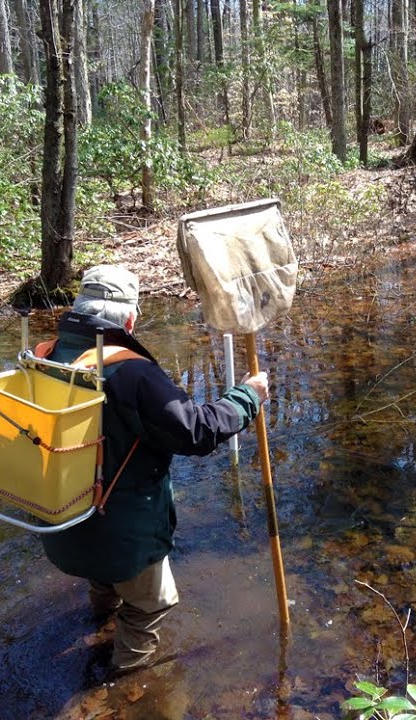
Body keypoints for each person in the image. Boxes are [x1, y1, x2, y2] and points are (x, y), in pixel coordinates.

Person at [34, 264, 270, 679]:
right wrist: (248, 396)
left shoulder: (43, 355)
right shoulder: (132, 373)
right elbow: (196, 431)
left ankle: (101, 617)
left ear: (79, 308)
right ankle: (124, 683)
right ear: (128, 320)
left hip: (63, 516)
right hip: (121, 529)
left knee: (104, 576)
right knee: (151, 604)